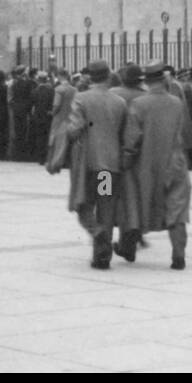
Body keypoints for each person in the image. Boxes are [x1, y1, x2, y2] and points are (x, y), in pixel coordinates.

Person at [115, 61, 192, 270]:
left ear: (147, 82)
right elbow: (185, 132)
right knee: (177, 212)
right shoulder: (177, 102)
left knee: (135, 206)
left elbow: (132, 139)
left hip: (146, 166)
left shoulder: (139, 105)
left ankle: (128, 247)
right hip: (175, 163)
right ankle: (178, 257)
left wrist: (125, 159)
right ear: (164, 79)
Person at [62, 60, 129, 270]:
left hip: (87, 166)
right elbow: (123, 134)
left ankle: (95, 231)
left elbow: (74, 129)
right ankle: (102, 257)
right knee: (106, 208)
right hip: (109, 166)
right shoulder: (119, 102)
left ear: (90, 77)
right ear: (108, 76)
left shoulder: (81, 99)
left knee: (83, 206)